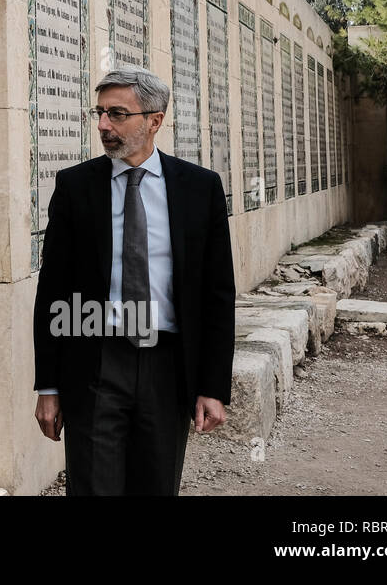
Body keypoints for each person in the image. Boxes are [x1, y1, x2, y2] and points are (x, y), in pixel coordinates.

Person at [32, 65, 235, 495]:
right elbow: (52, 291)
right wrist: (48, 386)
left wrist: (213, 387)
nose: (104, 125)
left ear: (154, 120)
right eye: (100, 113)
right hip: (96, 362)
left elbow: (218, 296)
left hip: (168, 367)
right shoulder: (75, 187)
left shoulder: (200, 190)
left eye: (118, 114)